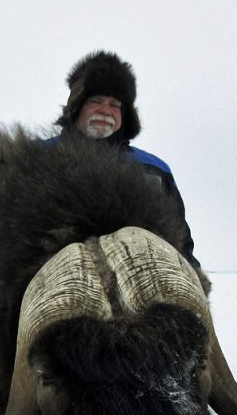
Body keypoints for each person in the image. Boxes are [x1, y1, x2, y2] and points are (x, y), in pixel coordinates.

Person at [49, 50, 202, 271]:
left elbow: (180, 245)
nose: (105, 110)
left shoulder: (154, 171)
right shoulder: (36, 159)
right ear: (76, 107)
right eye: (95, 101)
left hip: (139, 286)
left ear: (126, 115)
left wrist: (192, 278)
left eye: (115, 105)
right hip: (55, 285)